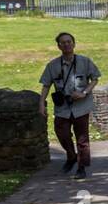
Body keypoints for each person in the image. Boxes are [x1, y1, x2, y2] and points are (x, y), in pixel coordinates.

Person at [39, 32, 101, 179]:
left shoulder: (85, 61)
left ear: (74, 44)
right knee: (62, 133)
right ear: (58, 46)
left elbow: (95, 78)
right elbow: (46, 85)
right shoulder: (52, 65)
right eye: (63, 42)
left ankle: (81, 167)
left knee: (82, 139)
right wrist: (41, 103)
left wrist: (84, 93)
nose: (66, 44)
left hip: (81, 107)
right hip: (63, 108)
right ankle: (71, 156)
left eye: (69, 42)